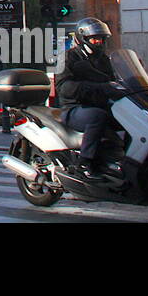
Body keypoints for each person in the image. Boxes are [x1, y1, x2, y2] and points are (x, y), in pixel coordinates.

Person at [55, 17, 123, 179]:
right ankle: (85, 162)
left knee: (127, 118)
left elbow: (116, 79)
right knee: (96, 116)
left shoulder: (105, 60)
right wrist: (96, 88)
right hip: (75, 108)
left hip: (103, 105)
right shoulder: (67, 58)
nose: (98, 42)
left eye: (101, 39)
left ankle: (122, 159)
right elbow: (64, 88)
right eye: (95, 39)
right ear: (82, 39)